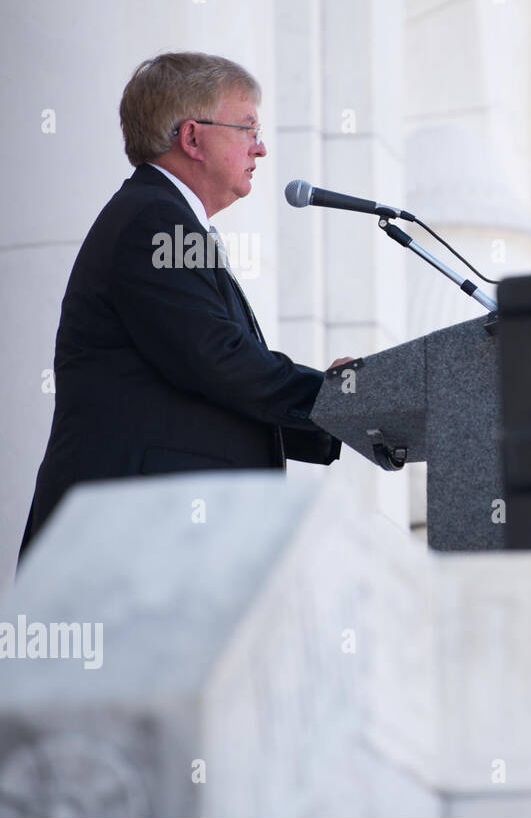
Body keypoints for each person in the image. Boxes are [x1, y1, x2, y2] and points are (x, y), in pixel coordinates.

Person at [18, 52, 353, 566]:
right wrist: (339, 400)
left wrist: (343, 413)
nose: (260, 149)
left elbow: (210, 381)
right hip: (133, 545)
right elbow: (217, 359)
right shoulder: (156, 220)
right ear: (192, 138)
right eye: (247, 128)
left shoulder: (164, 219)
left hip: (153, 538)